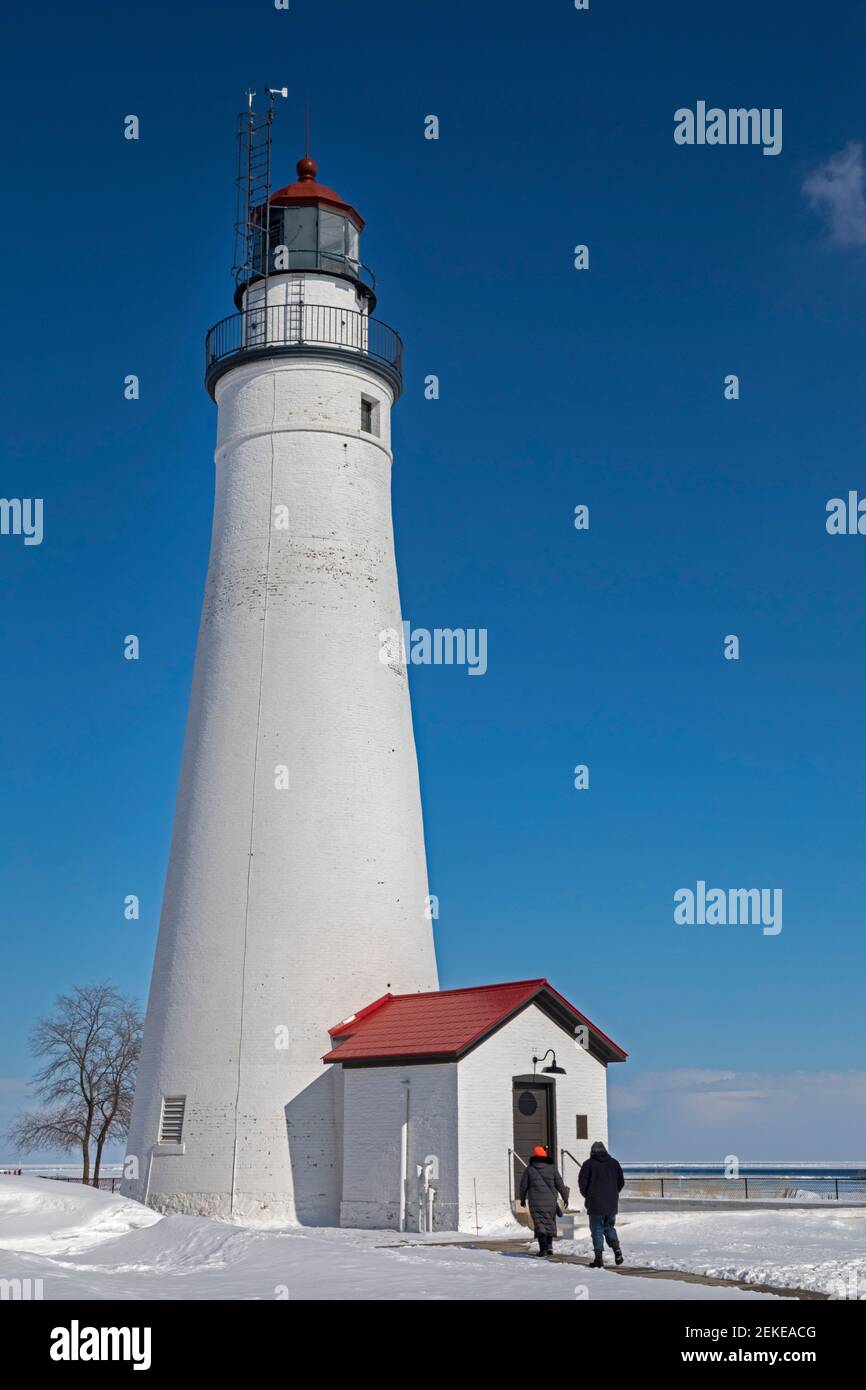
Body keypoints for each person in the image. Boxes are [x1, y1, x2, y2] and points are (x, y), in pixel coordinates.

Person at [578, 1140, 625, 1267]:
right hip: (611, 1203)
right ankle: (617, 1249)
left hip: (595, 1203)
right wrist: (613, 1193)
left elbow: (582, 1183)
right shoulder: (614, 1163)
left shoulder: (588, 1164)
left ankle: (598, 1259)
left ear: (592, 1152)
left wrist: (588, 1195)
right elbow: (621, 1182)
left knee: (597, 1229)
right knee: (609, 1227)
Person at [518, 1144, 569, 1257]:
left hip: (535, 1203)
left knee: (540, 1224)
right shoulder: (552, 1168)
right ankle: (549, 1248)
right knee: (549, 1223)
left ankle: (543, 1249)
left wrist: (522, 1199)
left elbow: (523, 1186)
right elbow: (560, 1184)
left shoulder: (529, 1169)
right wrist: (565, 1197)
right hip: (550, 1202)